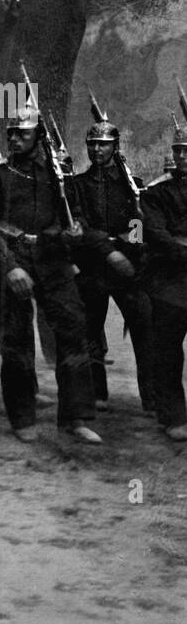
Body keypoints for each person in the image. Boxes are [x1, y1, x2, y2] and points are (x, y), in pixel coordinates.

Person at [0, 92, 102, 443]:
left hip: (53, 259)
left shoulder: (57, 176)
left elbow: (78, 215)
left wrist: (75, 230)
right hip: (14, 259)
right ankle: (22, 417)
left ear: (39, 137)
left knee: (74, 332)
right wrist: (10, 267)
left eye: (23, 134)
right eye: (11, 133)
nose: (14, 139)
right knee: (16, 342)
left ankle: (76, 416)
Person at [71, 107, 155, 414]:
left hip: (127, 269)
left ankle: (152, 397)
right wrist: (108, 249)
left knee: (145, 329)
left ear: (115, 146)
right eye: (92, 144)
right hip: (93, 269)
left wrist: (121, 245)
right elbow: (79, 227)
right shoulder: (77, 186)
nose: (96, 149)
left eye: (103, 144)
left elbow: (139, 226)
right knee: (90, 331)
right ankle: (97, 393)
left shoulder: (132, 184)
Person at [141, 121, 187, 441]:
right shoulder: (156, 194)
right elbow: (156, 234)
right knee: (168, 352)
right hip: (170, 283)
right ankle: (172, 414)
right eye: (178, 151)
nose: (182, 156)